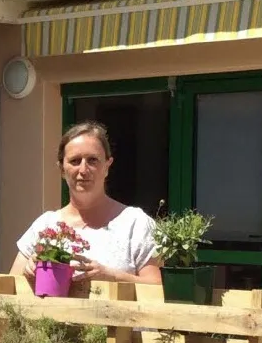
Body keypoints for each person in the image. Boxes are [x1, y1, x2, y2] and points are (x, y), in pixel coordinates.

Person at [9, 121, 161, 292]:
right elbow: (8, 287)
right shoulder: (45, 225)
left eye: (92, 160)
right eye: (75, 161)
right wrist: (28, 271)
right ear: (61, 169)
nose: (83, 169)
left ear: (107, 166)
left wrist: (112, 277)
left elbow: (157, 288)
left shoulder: (135, 223)